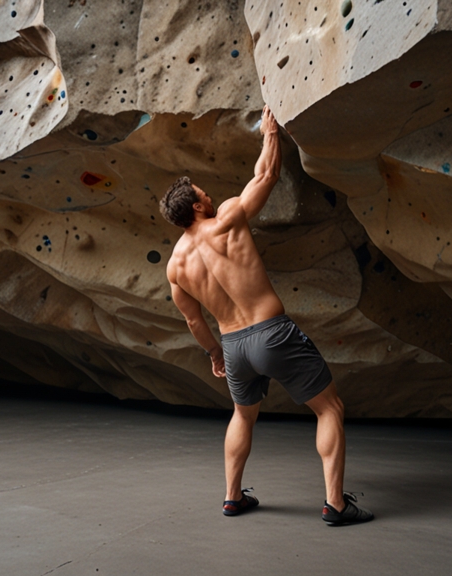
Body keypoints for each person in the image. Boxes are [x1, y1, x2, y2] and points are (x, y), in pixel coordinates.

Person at [160, 105, 374, 526]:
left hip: (235, 346)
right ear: (198, 207)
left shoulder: (175, 267)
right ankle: (335, 504)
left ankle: (233, 497)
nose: (208, 194)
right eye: (202, 193)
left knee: (242, 414)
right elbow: (266, 177)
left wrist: (215, 354)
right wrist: (270, 134)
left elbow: (193, 321)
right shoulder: (225, 220)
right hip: (272, 333)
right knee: (330, 409)